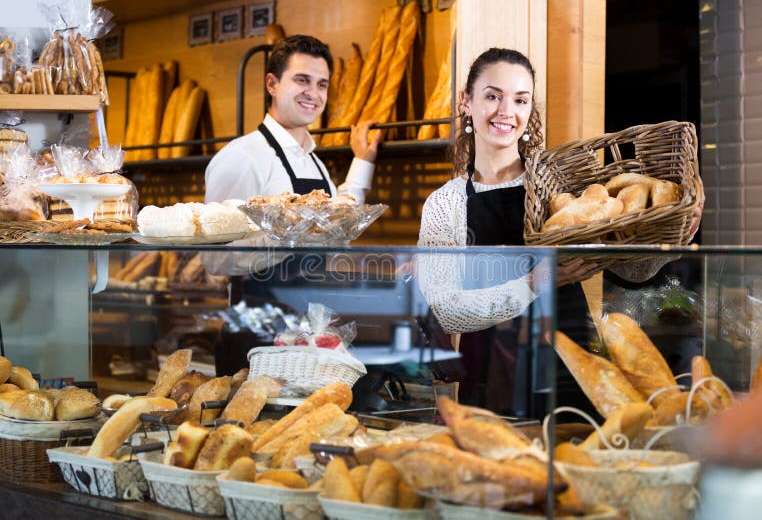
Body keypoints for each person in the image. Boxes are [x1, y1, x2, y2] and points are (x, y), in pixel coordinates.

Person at [416, 48, 704, 417]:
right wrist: (534, 282)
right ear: (466, 102)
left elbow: (629, 270)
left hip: (571, 360)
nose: (507, 112)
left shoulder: (561, 190)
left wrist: (670, 238)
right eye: (493, 96)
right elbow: (446, 311)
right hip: (493, 373)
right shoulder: (446, 204)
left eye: (520, 100)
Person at [205, 34, 382, 203]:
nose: (313, 94)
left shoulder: (312, 161)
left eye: (321, 85)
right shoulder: (241, 158)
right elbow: (222, 232)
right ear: (272, 84)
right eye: (302, 80)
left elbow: (337, 219)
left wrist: (362, 161)